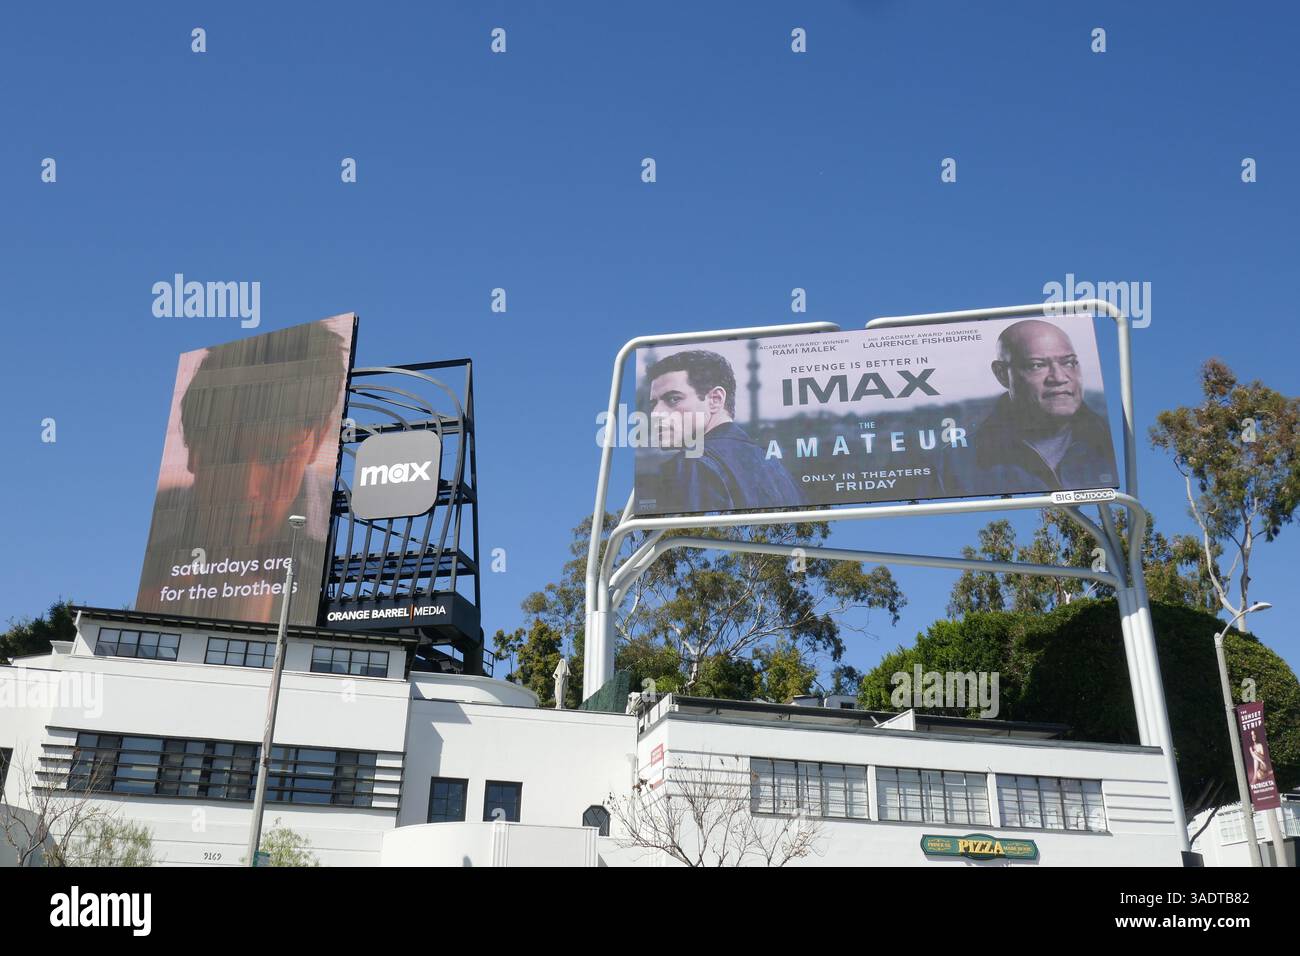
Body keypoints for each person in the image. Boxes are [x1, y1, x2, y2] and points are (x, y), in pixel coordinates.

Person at [135, 320, 350, 624]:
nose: (249, 488)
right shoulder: (159, 552)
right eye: (227, 455)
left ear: (317, 439)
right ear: (193, 450)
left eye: (276, 457)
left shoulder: (333, 539)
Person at [943, 319, 1118, 496]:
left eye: (1068, 363)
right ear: (1002, 374)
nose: (1059, 377)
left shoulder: (1108, 441)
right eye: (1037, 365)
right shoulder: (956, 464)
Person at [640, 349, 804, 514]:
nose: (655, 414)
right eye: (653, 404)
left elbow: (695, 537)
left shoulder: (693, 464)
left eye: (673, 399)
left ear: (715, 400)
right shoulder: (774, 467)